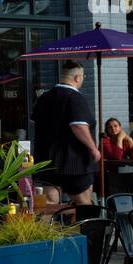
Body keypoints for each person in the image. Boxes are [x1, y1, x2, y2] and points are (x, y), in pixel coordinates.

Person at [31, 60, 100, 206]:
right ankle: (83, 229)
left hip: (46, 161)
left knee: (48, 203)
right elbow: (78, 126)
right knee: (82, 203)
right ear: (77, 78)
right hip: (74, 163)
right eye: (83, 77)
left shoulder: (44, 98)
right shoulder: (74, 97)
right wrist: (93, 149)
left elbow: (35, 122)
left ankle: (45, 229)